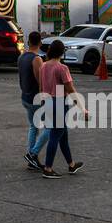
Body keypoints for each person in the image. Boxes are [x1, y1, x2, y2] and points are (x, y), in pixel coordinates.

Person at [38, 40, 87, 178]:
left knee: (62, 135)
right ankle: (48, 168)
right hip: (59, 102)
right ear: (62, 52)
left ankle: (71, 165)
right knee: (55, 135)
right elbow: (70, 90)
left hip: (47, 101)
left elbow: (41, 87)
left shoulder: (43, 66)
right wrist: (82, 108)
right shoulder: (62, 68)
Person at [18, 31, 48, 170]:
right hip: (35, 98)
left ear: (28, 41)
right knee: (52, 126)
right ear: (40, 43)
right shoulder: (36, 59)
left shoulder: (22, 56)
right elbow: (41, 80)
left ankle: (32, 158)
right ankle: (33, 154)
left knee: (33, 126)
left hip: (25, 96)